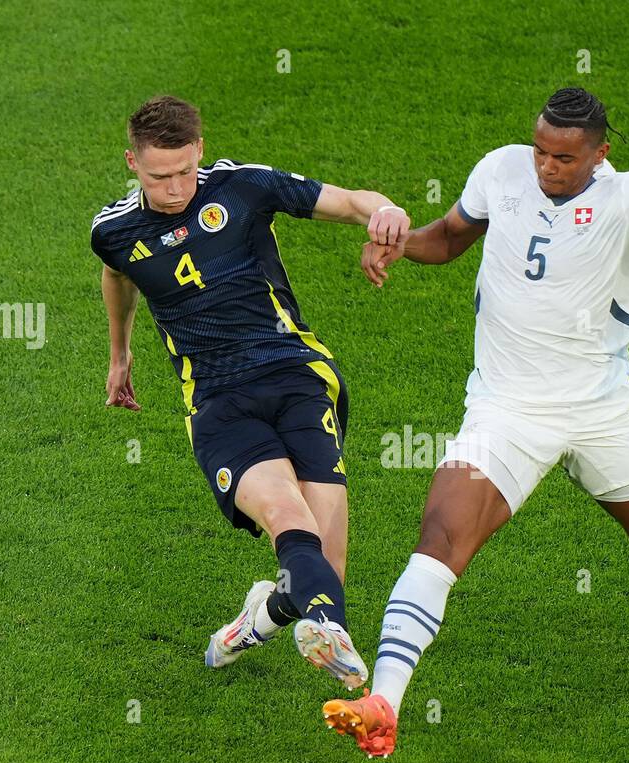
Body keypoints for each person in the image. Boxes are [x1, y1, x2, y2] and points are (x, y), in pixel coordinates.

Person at [324, 87, 629, 757]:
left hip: (598, 413)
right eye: (541, 150)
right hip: (505, 410)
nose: (547, 167)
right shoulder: (501, 171)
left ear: (599, 153)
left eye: (564, 158)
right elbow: (448, 238)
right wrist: (400, 246)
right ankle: (385, 703)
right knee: (439, 536)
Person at [91, 95, 410, 688]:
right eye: (161, 176)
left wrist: (384, 211)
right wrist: (120, 353)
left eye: (187, 170)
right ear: (132, 163)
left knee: (323, 563)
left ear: (200, 152)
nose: (177, 188)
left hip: (297, 376)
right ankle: (329, 636)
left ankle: (266, 616)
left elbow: (348, 202)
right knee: (290, 520)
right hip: (217, 401)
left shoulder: (244, 187)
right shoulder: (113, 231)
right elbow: (117, 276)